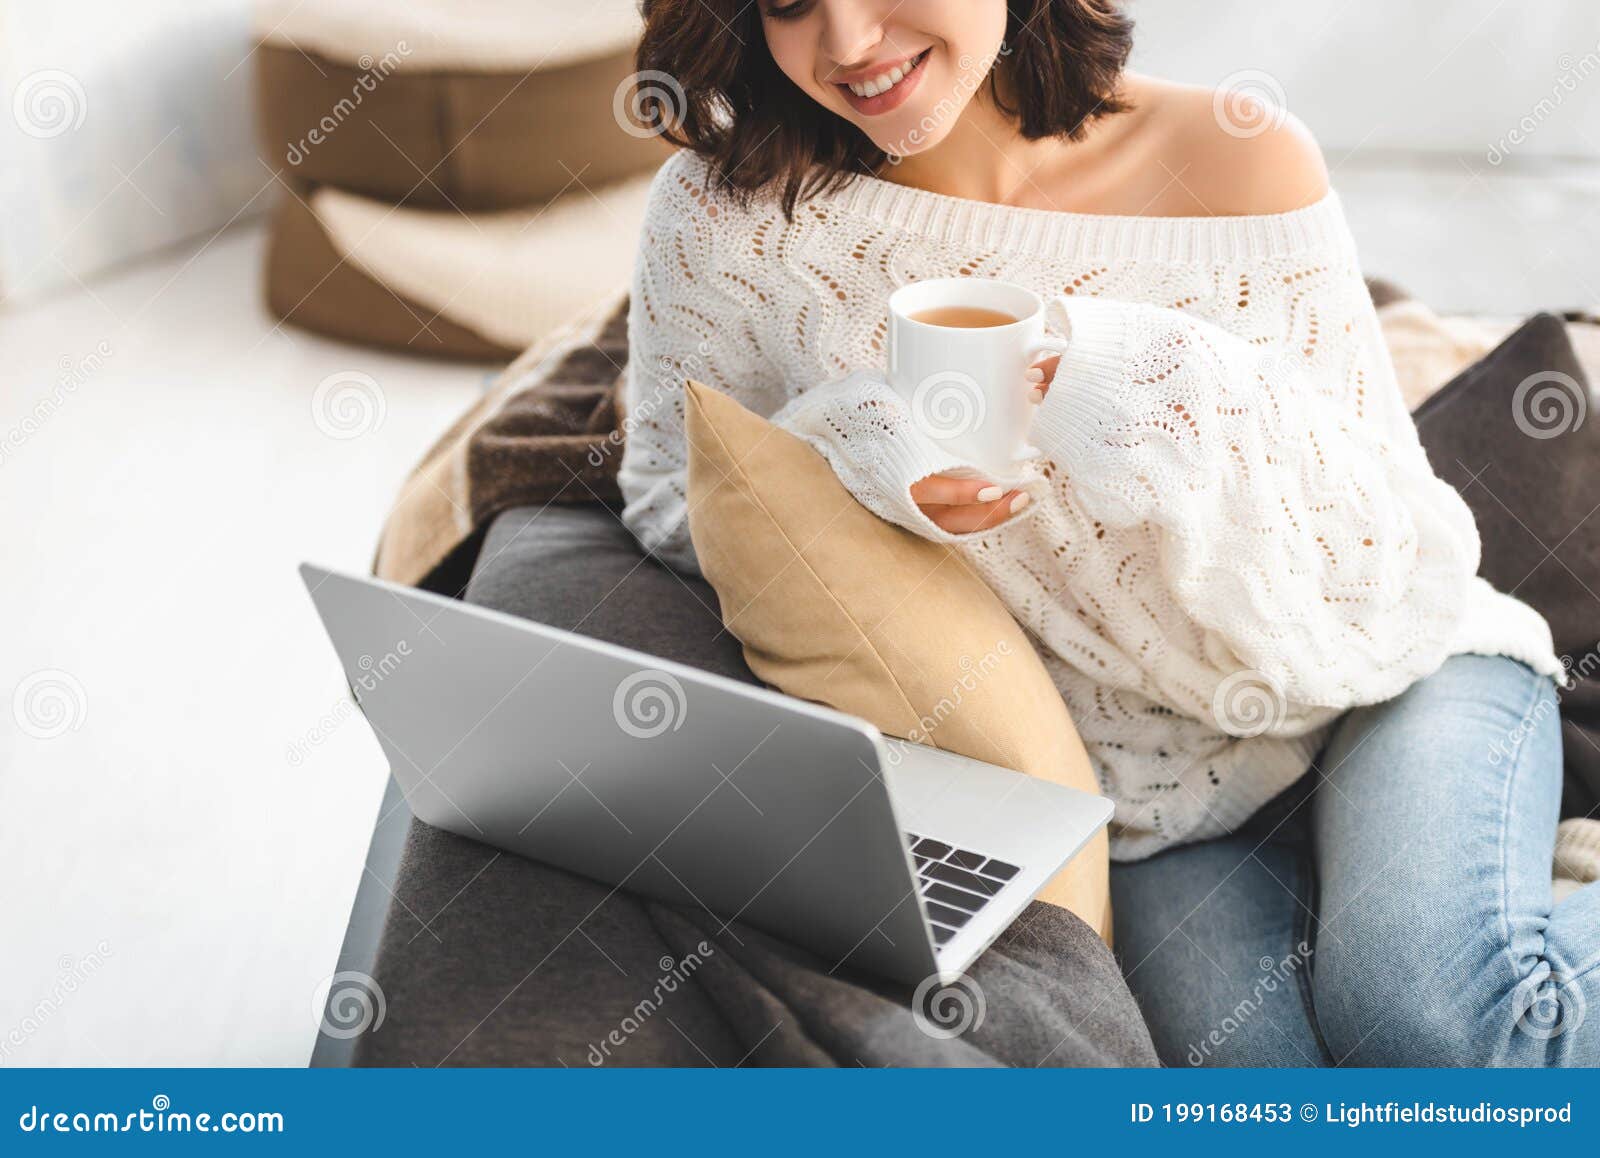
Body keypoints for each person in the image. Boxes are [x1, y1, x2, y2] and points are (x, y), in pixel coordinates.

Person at [618, 0, 1596, 1065]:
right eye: (787, 2)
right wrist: (859, 443)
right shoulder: (726, 217)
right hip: (1153, 796)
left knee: (1434, 1029)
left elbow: (1379, 560)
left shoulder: (1236, 157)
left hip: (1399, 676)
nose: (848, 43)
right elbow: (674, 496)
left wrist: (1120, 375)